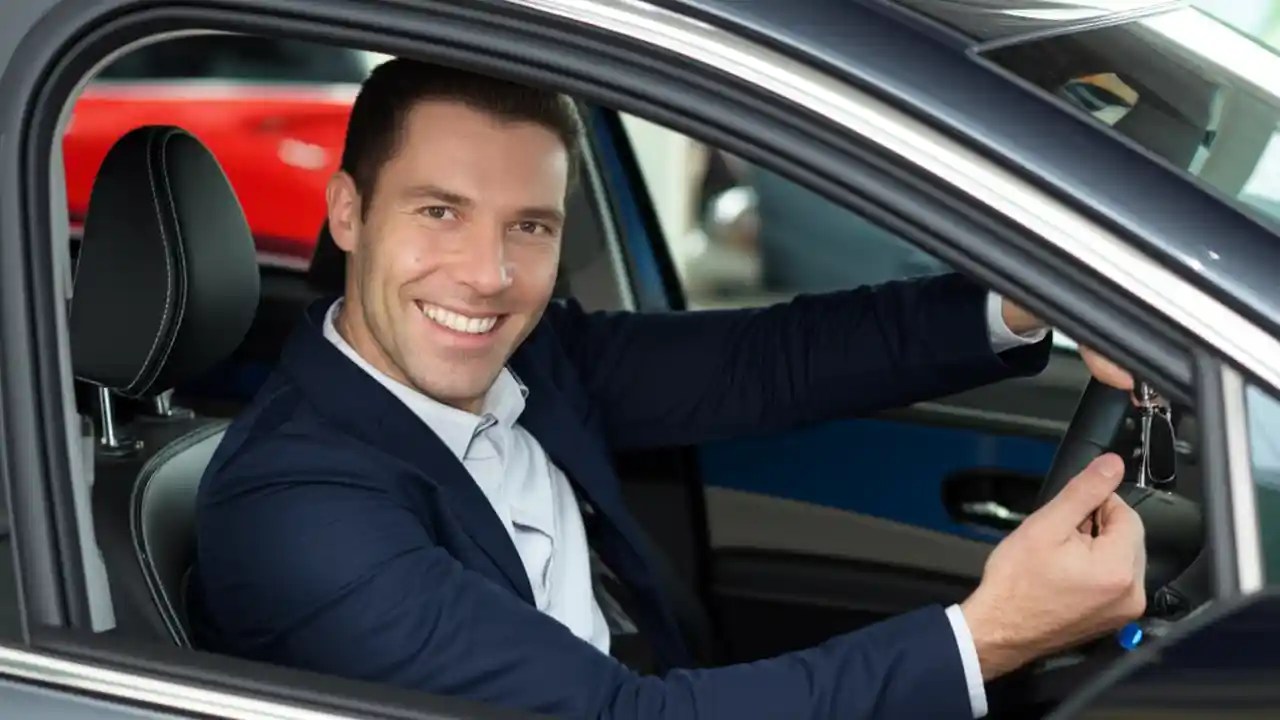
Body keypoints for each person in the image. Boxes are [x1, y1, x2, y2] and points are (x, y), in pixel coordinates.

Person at [190, 59, 1145, 719]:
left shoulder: (533, 356)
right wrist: (988, 638)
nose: (488, 274)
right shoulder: (295, 504)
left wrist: (1025, 300)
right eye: (440, 211)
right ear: (349, 212)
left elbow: (770, 359)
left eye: (530, 226)